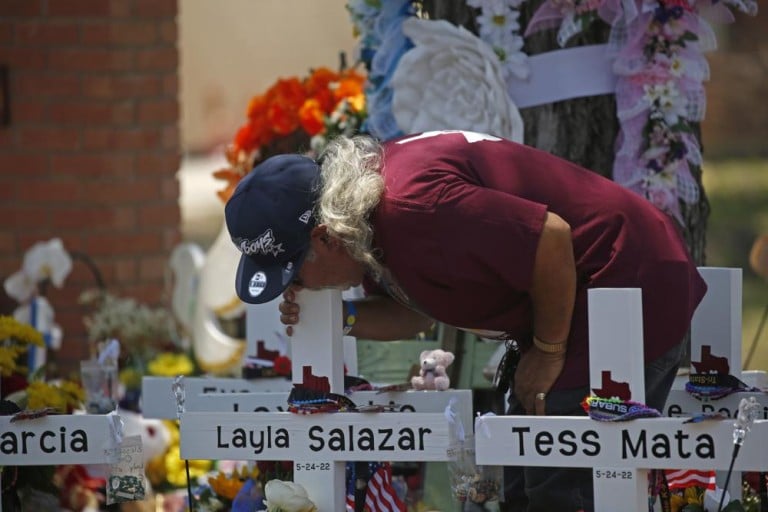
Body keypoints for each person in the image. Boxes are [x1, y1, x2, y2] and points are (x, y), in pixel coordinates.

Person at [224, 130, 707, 512]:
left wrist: (548, 348)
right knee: (523, 485)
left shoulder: (415, 207)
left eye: (294, 269)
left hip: (622, 282)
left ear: (327, 238)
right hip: (578, 296)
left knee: (567, 490)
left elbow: (550, 238)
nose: (298, 286)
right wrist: (343, 319)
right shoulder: (367, 211)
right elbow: (413, 310)